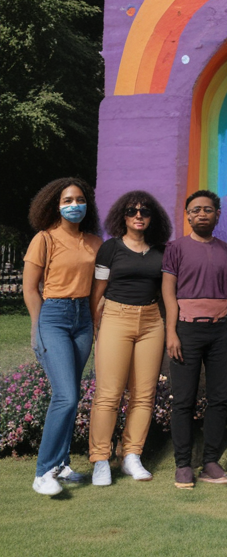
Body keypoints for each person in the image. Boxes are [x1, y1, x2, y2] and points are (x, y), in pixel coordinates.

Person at [23, 177, 102, 496]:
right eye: (67, 200)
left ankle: (61, 464)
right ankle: (43, 473)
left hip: (83, 318)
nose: (74, 205)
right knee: (65, 395)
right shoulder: (44, 239)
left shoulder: (95, 242)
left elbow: (98, 289)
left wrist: (95, 325)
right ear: (54, 205)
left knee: (73, 394)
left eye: (80, 199)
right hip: (52, 316)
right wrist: (37, 325)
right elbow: (30, 288)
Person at [89, 191, 171, 486]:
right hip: (115, 317)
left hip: (152, 322)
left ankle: (131, 456)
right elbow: (97, 291)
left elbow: (167, 294)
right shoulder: (110, 249)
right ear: (122, 216)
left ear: (153, 217)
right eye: (132, 210)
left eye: (145, 211)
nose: (139, 215)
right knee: (109, 394)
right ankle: (100, 459)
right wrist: (95, 324)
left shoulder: (162, 252)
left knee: (144, 395)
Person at [162, 190, 227, 488]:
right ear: (188, 216)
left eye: (208, 209)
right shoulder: (176, 248)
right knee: (183, 399)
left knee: (219, 398)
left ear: (217, 214)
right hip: (186, 330)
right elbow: (168, 293)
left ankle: (210, 462)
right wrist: (172, 332)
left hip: (220, 331)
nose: (201, 214)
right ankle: (183, 464)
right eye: (195, 210)